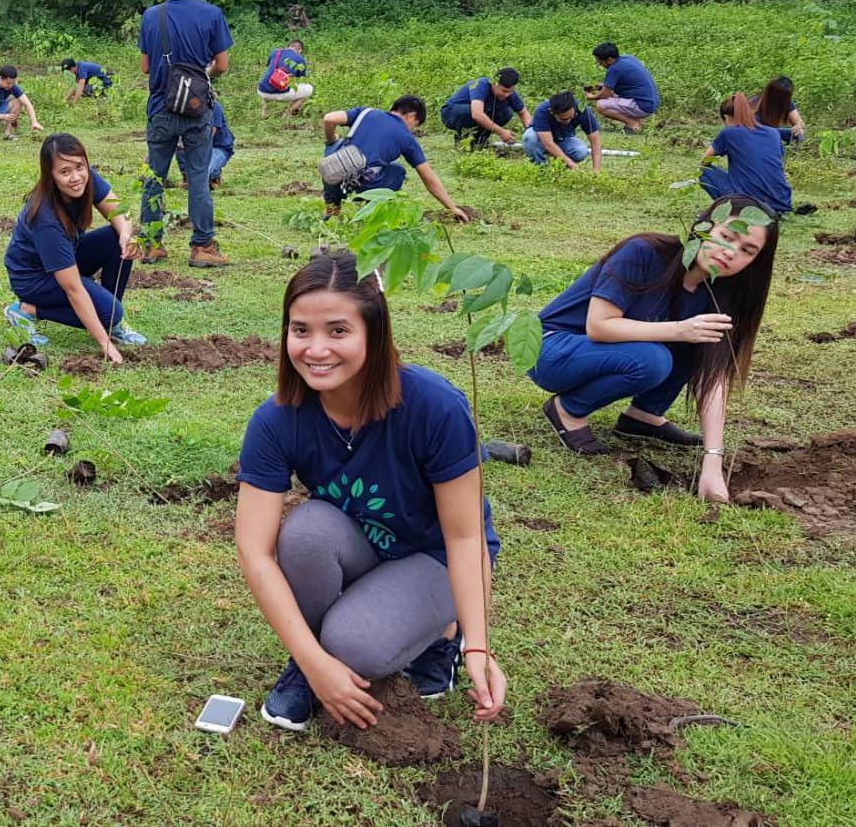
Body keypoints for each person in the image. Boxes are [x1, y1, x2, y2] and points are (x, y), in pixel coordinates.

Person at [234, 251, 506, 733]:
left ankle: (443, 636)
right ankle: (310, 661)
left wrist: (478, 646)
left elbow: (466, 538)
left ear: (374, 333)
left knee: (354, 643)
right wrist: (313, 662)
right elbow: (254, 551)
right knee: (305, 533)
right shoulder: (276, 420)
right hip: (363, 543)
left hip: (433, 557)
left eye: (338, 331)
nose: (316, 349)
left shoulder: (435, 407)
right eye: (301, 330)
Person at [528, 196, 780, 502]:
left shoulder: (722, 293)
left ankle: (644, 415)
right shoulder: (644, 252)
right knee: (653, 359)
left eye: (747, 251)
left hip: (609, 353)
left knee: (698, 339)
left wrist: (713, 461)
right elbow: (599, 325)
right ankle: (569, 410)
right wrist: (679, 329)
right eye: (727, 236)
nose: (730, 252)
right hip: (550, 349)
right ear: (703, 227)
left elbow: (713, 377)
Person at [3, 134, 147, 361]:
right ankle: (26, 309)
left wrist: (126, 235)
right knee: (110, 312)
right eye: (64, 172)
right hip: (34, 278)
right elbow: (73, 289)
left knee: (115, 237)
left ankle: (110, 319)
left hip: (67, 255)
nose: (76, 177)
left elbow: (119, 211)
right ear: (50, 176)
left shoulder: (86, 178)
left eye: (80, 167)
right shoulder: (45, 218)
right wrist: (105, 344)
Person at [138, 0, 233, 268]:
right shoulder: (212, 14)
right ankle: (203, 246)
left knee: (154, 176)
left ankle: (150, 244)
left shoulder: (152, 16)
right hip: (197, 109)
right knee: (197, 176)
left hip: (160, 108)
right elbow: (222, 64)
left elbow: (145, 67)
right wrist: (203, 75)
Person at [320, 98, 469, 221]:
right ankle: (373, 212)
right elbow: (429, 178)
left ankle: (331, 212)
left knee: (337, 146)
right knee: (397, 171)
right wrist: (452, 207)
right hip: (363, 182)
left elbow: (329, 118)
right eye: (415, 126)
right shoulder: (406, 138)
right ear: (411, 116)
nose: (413, 130)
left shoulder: (366, 112)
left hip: (332, 171)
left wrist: (331, 140)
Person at [700, 93, 793, 217]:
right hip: (782, 202)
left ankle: (732, 209)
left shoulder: (729, 133)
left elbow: (704, 161)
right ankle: (772, 210)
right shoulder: (773, 133)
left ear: (726, 117)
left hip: (749, 204)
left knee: (703, 171)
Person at [440, 68, 531, 149]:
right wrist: (501, 132)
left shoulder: (510, 93)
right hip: (452, 113)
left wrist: (529, 133)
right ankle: (462, 139)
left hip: (476, 113)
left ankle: (479, 140)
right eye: (504, 91)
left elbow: (523, 113)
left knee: (506, 112)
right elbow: (477, 115)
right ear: (494, 83)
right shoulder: (480, 85)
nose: (507, 95)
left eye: (510, 92)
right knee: (471, 112)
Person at [585, 42, 659, 133]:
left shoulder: (614, 69)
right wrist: (597, 87)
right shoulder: (628, 58)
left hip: (643, 105)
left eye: (599, 61)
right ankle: (637, 121)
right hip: (651, 102)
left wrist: (590, 97)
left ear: (609, 60)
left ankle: (633, 123)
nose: (599, 64)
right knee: (612, 95)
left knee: (601, 105)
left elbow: (605, 94)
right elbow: (613, 85)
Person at [523, 90, 602, 171]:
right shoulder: (542, 111)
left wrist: (596, 170)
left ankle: (559, 167)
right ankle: (540, 168)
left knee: (581, 150)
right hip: (540, 139)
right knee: (530, 137)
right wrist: (573, 166)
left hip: (562, 138)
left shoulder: (582, 110)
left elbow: (595, 142)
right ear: (551, 112)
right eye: (563, 119)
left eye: (571, 117)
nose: (568, 121)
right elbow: (548, 143)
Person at [0, 65, 44, 138]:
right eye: (8, 83)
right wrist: (4, 117)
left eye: (13, 83)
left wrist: (34, 122)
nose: (10, 86)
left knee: (18, 102)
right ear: (0, 78)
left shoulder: (12, 86)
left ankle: (7, 133)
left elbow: (27, 104)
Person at [258, 39, 313, 118]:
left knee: (266, 82)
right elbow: (301, 80)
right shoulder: (300, 59)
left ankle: (264, 112)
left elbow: (269, 66)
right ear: (300, 50)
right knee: (309, 89)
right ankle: (287, 113)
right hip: (282, 94)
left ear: (288, 47)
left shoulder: (275, 52)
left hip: (261, 91)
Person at [752, 76, 806, 144]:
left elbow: (799, 123)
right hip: (758, 135)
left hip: (773, 133)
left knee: (798, 136)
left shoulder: (786, 103)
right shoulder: (754, 104)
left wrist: (799, 126)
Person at [208, 100, 234, 188]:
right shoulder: (191, 107)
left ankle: (215, 175)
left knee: (206, 170)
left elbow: (214, 129)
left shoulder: (215, 107)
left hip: (219, 146)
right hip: (200, 147)